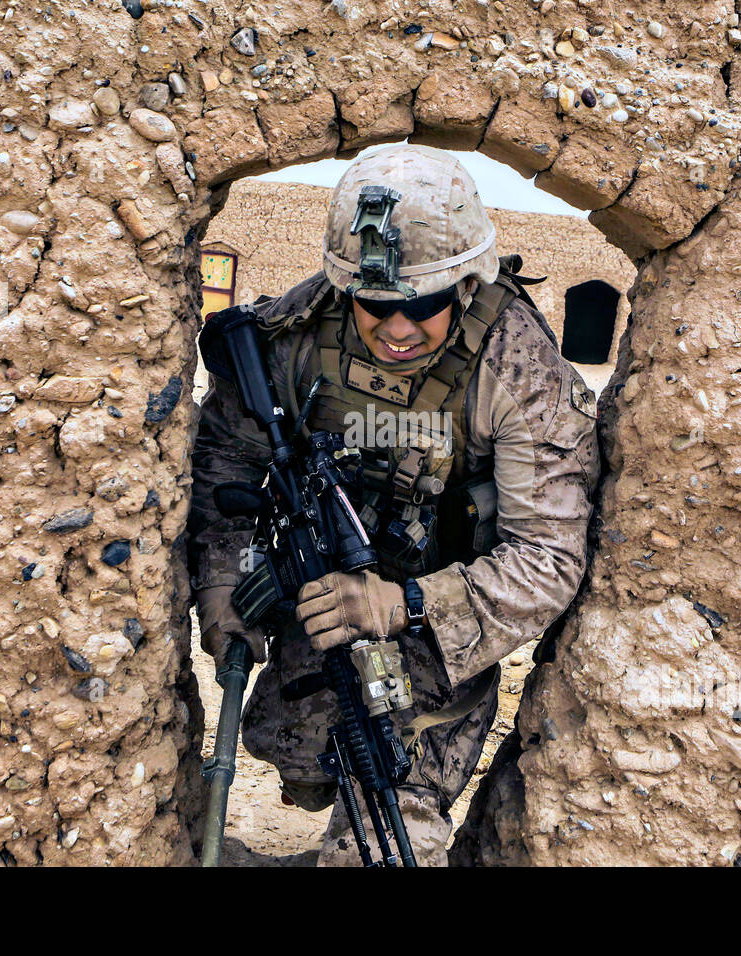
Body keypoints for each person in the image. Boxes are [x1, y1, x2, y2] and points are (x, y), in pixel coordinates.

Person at [186, 143, 600, 866]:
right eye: (375, 307)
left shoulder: (517, 367)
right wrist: (224, 584)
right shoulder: (300, 334)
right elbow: (228, 457)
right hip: (316, 620)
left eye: (422, 307)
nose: (396, 330)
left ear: (464, 286)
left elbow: (549, 561)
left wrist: (400, 604)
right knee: (303, 765)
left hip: (434, 644)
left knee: (382, 834)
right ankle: (310, 761)